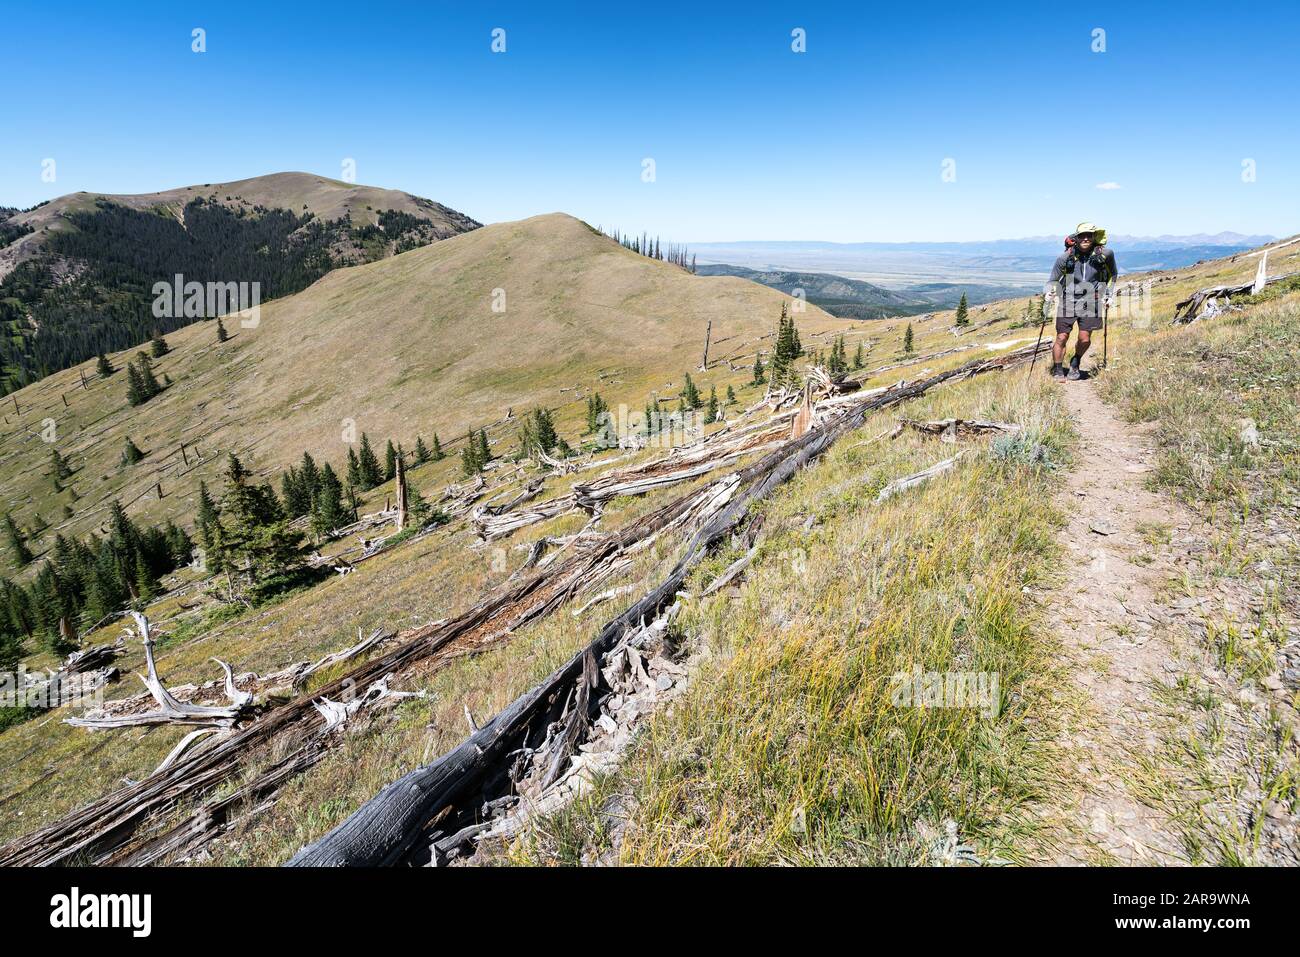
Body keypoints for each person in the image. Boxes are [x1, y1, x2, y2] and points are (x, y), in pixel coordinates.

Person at [1044, 222, 1117, 379]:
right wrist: (1049, 292)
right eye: (1081, 236)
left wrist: (1109, 295)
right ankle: (1058, 369)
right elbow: (1053, 279)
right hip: (1068, 299)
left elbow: (1113, 274)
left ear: (1093, 237)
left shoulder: (1105, 255)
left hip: (1092, 300)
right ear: (1076, 238)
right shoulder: (1065, 257)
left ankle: (1075, 362)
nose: (1085, 238)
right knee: (1061, 337)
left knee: (1084, 339)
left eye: (1088, 235)